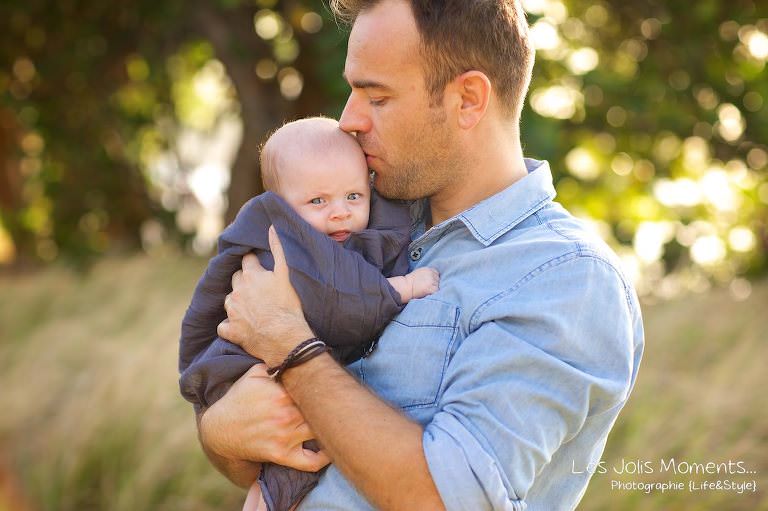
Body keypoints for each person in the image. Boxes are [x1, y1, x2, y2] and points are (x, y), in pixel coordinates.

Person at [198, 1, 645, 510]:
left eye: (377, 96)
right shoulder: (352, 219)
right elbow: (259, 448)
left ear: (468, 99)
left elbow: (445, 498)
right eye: (352, 90)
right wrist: (221, 435)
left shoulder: (567, 279)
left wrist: (290, 348)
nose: (348, 119)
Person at [178, 117, 439, 511]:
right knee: (295, 437)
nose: (339, 213)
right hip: (240, 366)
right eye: (318, 201)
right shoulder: (282, 244)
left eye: (353, 196)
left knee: (295, 448)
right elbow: (335, 305)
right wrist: (401, 288)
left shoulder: (337, 234)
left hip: (276, 377)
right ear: (280, 206)